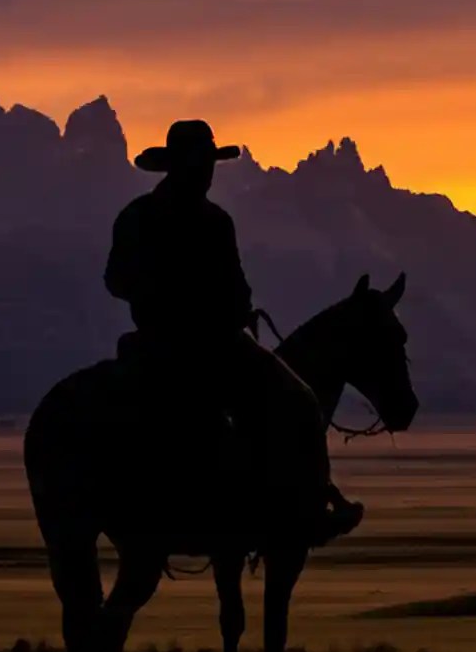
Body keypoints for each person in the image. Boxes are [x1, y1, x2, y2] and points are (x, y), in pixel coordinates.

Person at [104, 119, 362, 546]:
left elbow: (117, 279)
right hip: (205, 344)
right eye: (201, 163)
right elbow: (230, 284)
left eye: (209, 164)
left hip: (153, 343)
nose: (207, 173)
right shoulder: (206, 220)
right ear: (181, 166)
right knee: (300, 401)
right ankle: (312, 506)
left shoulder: (141, 216)